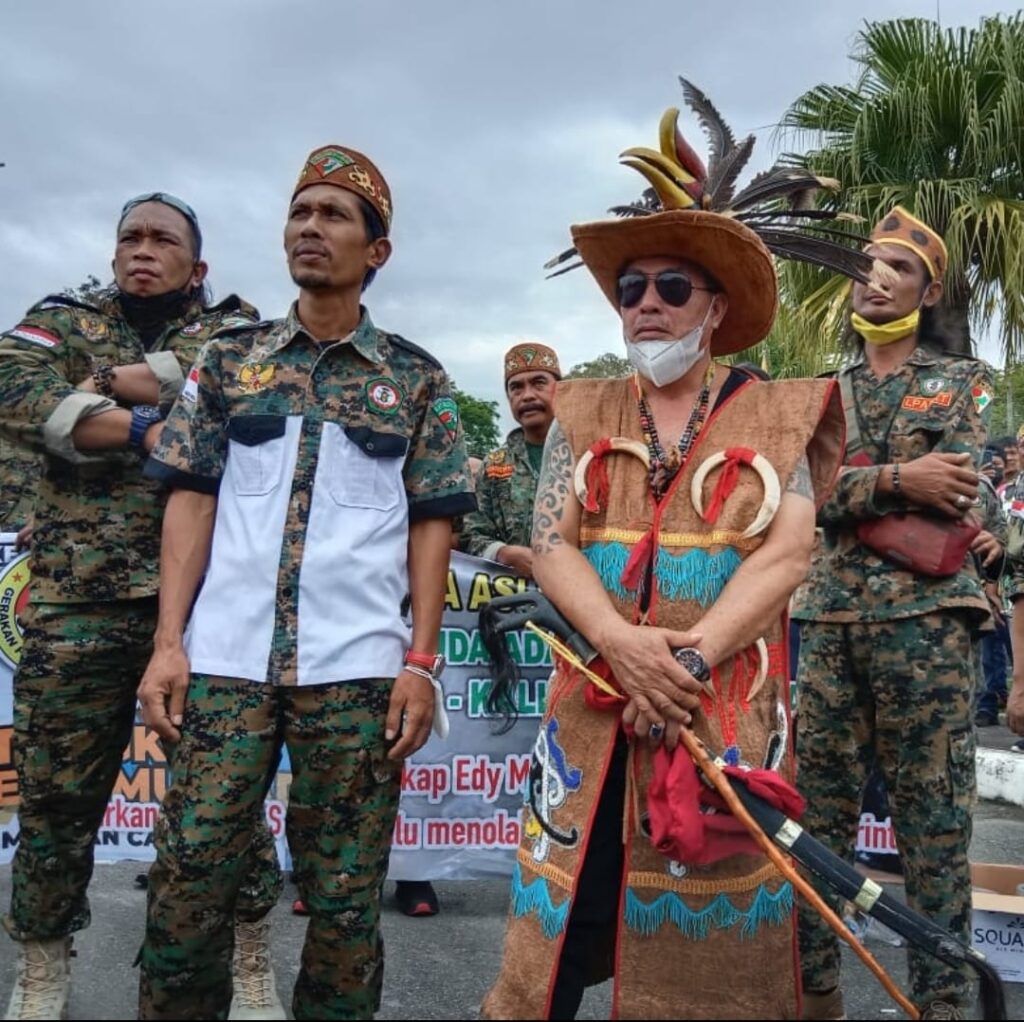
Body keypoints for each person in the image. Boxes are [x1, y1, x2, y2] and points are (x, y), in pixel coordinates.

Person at [482, 105, 850, 1019]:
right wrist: (621, 643)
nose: (646, 301)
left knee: (712, 937)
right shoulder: (581, 408)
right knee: (558, 932)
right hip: (592, 712)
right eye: (632, 286)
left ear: (716, 307)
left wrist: (684, 660)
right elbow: (554, 540)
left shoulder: (783, 410)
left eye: (672, 287)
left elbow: (789, 550)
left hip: (717, 712)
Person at [135, 144, 475, 1020]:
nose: (309, 229)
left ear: (378, 251)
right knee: (187, 887)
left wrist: (422, 661)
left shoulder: (415, 379)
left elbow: (432, 523)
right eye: (300, 212)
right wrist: (169, 643)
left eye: (333, 215)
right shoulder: (229, 362)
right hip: (223, 666)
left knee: (344, 905)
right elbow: (191, 503)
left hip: (357, 675)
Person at [0, 193, 284, 1021]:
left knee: (222, 795)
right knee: (55, 798)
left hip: (202, 605)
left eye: (163, 240)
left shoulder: (237, 328)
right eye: (130, 237)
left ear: (197, 268)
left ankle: (249, 957)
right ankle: (45, 967)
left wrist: (89, 395)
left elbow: (230, 385)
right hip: (76, 597)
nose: (141, 251)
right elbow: (12, 386)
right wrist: (143, 428)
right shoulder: (61, 315)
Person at [791, 206, 995, 1020]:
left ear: (928, 289)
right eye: (866, 264)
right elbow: (791, 496)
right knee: (816, 832)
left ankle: (943, 1007)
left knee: (934, 839)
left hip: (931, 634)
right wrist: (896, 482)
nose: (875, 278)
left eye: (898, 268)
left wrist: (862, 487)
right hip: (831, 633)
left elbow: (962, 492)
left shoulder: (963, 382)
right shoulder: (812, 395)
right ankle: (815, 996)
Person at [459, 342, 562, 580]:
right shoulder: (494, 466)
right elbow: (470, 534)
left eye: (539, 383)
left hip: (585, 600)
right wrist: (502, 553)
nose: (527, 396)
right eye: (516, 387)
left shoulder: (587, 455)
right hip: (515, 602)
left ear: (561, 388)